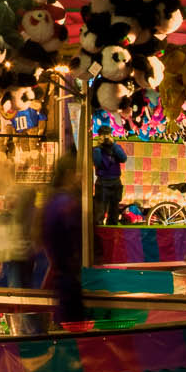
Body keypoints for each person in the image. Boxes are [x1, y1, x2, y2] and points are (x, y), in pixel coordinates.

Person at [40, 151, 87, 329]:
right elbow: (73, 237)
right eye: (78, 172)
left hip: (62, 274)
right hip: (67, 275)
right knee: (71, 325)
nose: (81, 177)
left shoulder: (53, 199)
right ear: (69, 173)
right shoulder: (66, 203)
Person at [92, 127, 128, 227]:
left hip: (115, 182)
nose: (106, 138)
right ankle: (98, 233)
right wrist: (99, 148)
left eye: (108, 135)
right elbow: (98, 163)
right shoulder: (96, 150)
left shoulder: (116, 147)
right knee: (100, 211)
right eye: (103, 136)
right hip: (102, 183)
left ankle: (112, 232)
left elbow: (123, 158)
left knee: (114, 211)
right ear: (99, 137)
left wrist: (114, 145)